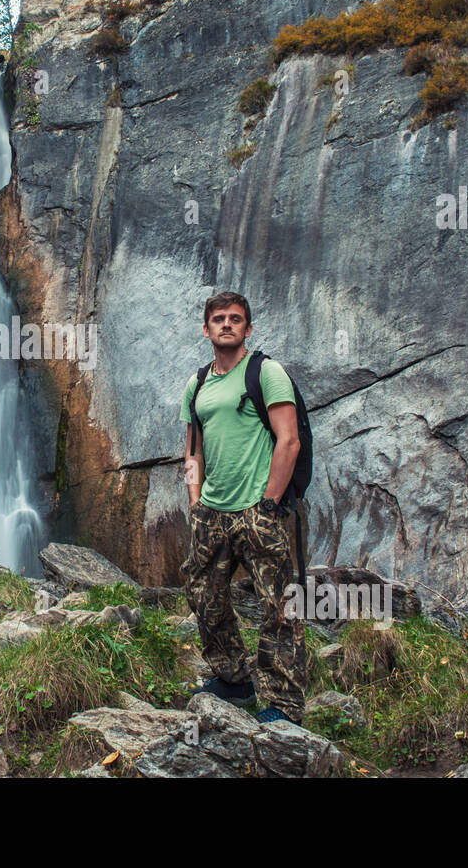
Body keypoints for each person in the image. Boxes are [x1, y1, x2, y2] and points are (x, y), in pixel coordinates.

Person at [178, 290, 306, 723]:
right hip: (211, 512)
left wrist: (269, 503)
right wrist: (195, 503)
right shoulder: (197, 384)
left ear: (248, 328)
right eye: (218, 318)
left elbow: (289, 439)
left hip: (257, 509)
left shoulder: (266, 373)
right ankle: (233, 678)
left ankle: (283, 704)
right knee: (203, 594)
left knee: (278, 605)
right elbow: (192, 452)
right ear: (206, 329)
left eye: (235, 318)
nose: (227, 324)